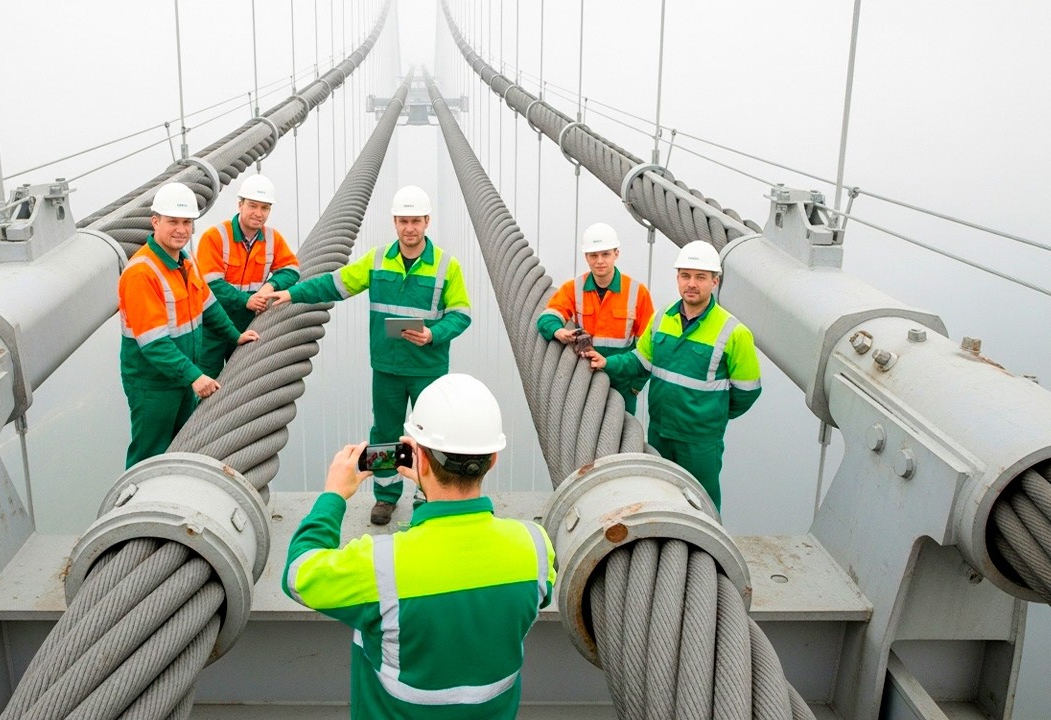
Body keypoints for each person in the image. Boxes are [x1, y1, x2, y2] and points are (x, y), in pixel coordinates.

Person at [282, 374, 555, 720]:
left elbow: (298, 574)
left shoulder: (379, 566)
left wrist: (334, 494)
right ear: (493, 460)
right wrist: (430, 488)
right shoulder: (534, 548)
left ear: (420, 459)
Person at [268, 185, 471, 525]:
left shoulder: (446, 267)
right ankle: (386, 497)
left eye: (416, 221)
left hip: (428, 368)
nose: (410, 228)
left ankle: (426, 494)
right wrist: (292, 294)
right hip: (387, 367)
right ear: (394, 222)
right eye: (404, 221)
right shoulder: (377, 260)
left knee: (429, 434)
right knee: (385, 434)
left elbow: (461, 313)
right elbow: (334, 284)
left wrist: (434, 334)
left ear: (427, 222)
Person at [587, 240, 761, 510]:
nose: (691, 283)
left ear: (715, 281)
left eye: (700, 277)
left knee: (702, 506)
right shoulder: (661, 319)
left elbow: (747, 392)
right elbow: (638, 362)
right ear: (678, 278)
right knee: (660, 501)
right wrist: (606, 363)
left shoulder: (734, 333)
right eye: (685, 276)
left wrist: (711, 414)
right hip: (660, 432)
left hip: (700, 441)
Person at [117, 182, 258, 469]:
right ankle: (136, 510)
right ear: (155, 222)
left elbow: (209, 306)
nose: (181, 230)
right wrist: (195, 376)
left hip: (180, 378)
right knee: (149, 456)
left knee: (184, 447)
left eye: (187, 222)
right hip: (153, 384)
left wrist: (236, 336)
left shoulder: (185, 260)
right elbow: (154, 343)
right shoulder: (141, 273)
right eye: (173, 222)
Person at [536, 222, 654, 414]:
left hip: (622, 386)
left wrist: (635, 386)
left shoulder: (637, 293)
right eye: (593, 255)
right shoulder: (573, 288)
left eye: (605, 254)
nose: (600, 261)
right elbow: (547, 317)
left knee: (619, 439)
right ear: (586, 257)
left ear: (616, 254)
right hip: (585, 381)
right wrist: (558, 331)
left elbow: (649, 349)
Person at [196, 174, 300, 378]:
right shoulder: (215, 237)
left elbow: (291, 269)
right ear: (240, 205)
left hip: (249, 326)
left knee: (241, 385)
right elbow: (211, 284)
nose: (258, 213)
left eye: (265, 208)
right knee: (206, 387)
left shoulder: (272, 238)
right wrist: (246, 300)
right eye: (252, 206)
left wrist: (269, 287)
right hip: (213, 328)